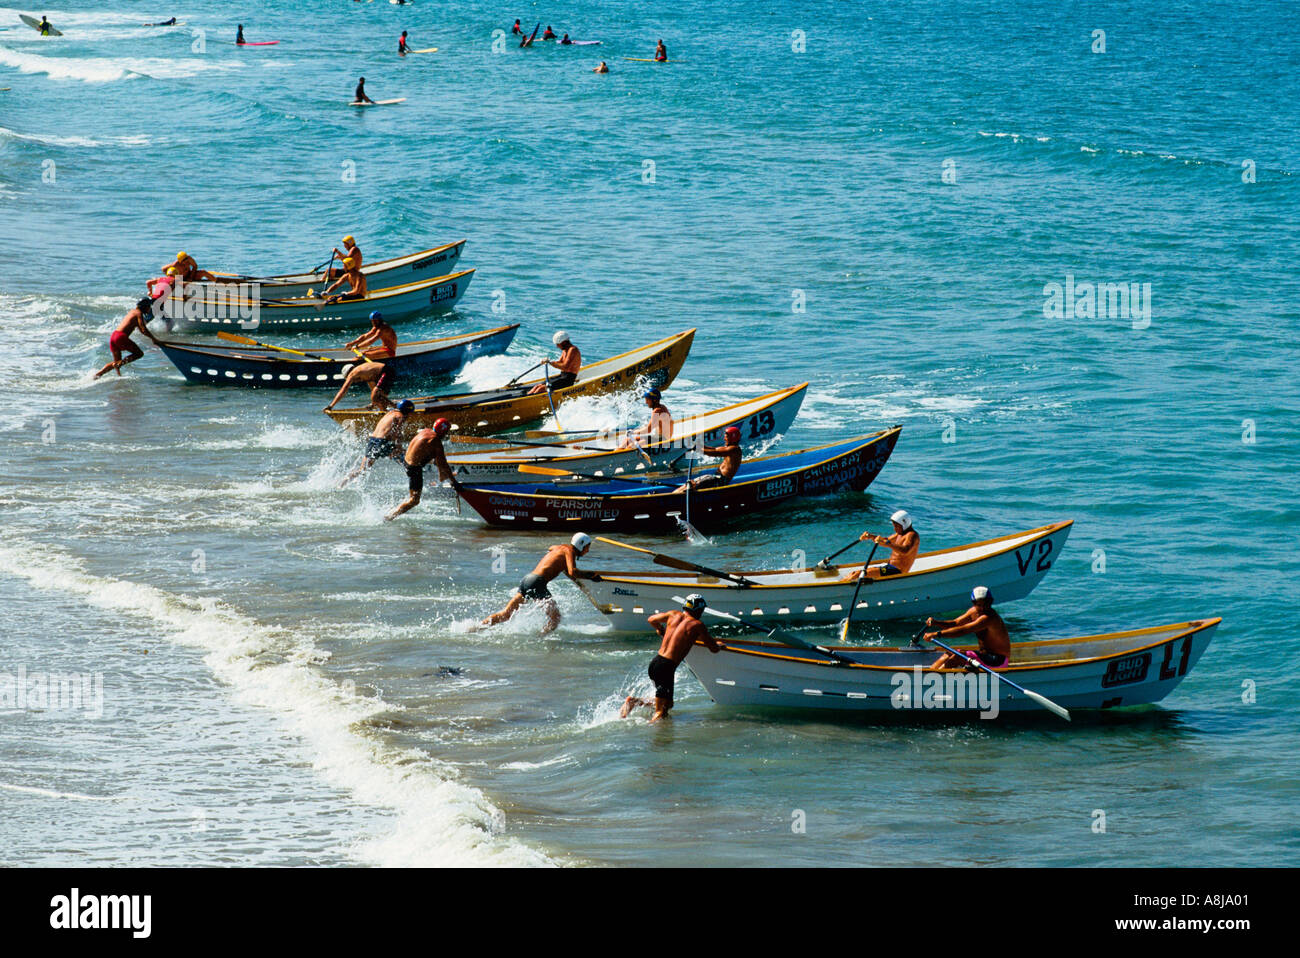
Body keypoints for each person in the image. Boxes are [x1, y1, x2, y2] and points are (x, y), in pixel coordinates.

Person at [620, 594, 724, 723]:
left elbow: (651, 619)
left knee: (668, 705)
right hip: (666, 667)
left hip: (655, 663)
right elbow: (713, 649)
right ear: (698, 610)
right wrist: (719, 645)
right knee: (661, 712)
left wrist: (660, 629)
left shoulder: (672, 614)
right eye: (702, 610)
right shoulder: (697, 625)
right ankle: (655, 740)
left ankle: (634, 702)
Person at [479, 533, 595, 634]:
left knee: (505, 614)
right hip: (537, 583)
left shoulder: (560, 548)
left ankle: (475, 628)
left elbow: (552, 548)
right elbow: (573, 571)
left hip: (528, 580)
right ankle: (540, 638)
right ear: (581, 544)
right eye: (587, 547)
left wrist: (582, 583)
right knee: (555, 618)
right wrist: (592, 576)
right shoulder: (569, 551)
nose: (587, 551)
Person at [323, 311, 397, 412]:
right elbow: (365, 336)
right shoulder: (367, 376)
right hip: (386, 368)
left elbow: (371, 340)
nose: (374, 323)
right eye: (372, 321)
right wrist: (352, 343)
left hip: (389, 351)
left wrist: (331, 405)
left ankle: (394, 407)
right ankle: (383, 411)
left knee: (364, 355)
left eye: (375, 321)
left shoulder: (383, 328)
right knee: (377, 396)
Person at [926, 587, 1011, 670]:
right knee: (950, 653)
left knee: (958, 655)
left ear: (991, 602)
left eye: (986, 605)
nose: (982, 608)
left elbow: (963, 630)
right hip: (985, 657)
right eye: (979, 605)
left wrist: (937, 634)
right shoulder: (973, 611)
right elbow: (955, 623)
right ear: (974, 603)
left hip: (998, 660)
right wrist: (936, 622)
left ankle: (935, 678)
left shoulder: (989, 617)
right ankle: (930, 673)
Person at [386, 419, 454, 520]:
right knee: (414, 501)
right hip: (414, 468)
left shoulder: (426, 431)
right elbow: (444, 464)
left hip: (406, 461)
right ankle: (389, 517)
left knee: (436, 455)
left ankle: (442, 476)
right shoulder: (435, 441)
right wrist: (455, 483)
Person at [341, 400, 413, 486]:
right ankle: (420, 481)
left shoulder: (391, 413)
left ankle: (341, 484)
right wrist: (398, 447)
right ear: (408, 411)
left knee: (363, 470)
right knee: (406, 460)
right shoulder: (401, 416)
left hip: (372, 440)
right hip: (383, 442)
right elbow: (397, 434)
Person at [93, 297, 160, 379]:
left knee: (117, 363)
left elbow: (140, 328)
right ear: (145, 307)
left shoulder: (132, 312)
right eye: (149, 306)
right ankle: (118, 365)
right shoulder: (138, 313)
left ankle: (97, 375)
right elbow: (143, 330)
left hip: (114, 336)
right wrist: (154, 339)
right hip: (120, 337)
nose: (150, 309)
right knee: (139, 354)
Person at [855, 509, 919, 579]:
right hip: (889, 568)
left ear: (904, 523)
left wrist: (888, 544)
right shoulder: (900, 534)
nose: (895, 529)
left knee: (858, 574)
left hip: (897, 571)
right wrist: (870, 536)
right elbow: (885, 541)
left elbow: (905, 550)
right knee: (856, 573)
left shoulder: (912, 535)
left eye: (896, 526)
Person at [675, 426, 741, 491]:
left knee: (692, 485)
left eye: (726, 437)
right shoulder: (729, 448)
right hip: (715, 477)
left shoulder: (734, 449)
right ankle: (676, 493)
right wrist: (699, 445)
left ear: (732, 438)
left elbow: (715, 453)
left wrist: (699, 449)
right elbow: (715, 449)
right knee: (689, 484)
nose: (724, 439)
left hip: (720, 481)